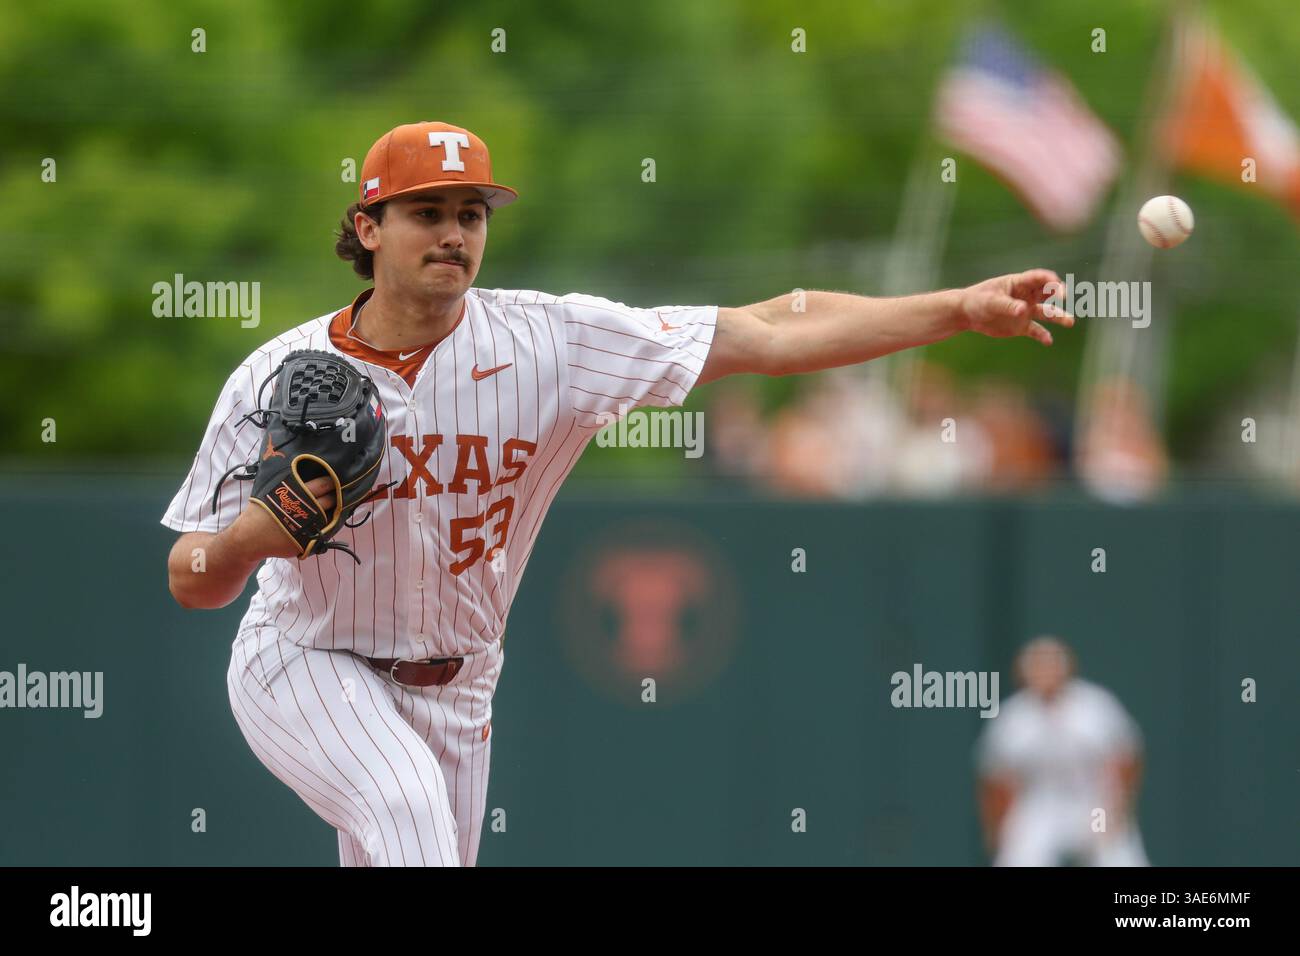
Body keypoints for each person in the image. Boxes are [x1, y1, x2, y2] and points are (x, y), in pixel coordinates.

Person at [163, 120, 1073, 866]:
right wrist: (253, 533)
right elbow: (192, 577)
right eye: (425, 212)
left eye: (471, 213)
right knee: (406, 816)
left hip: (460, 686)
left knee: (412, 842)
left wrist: (954, 307)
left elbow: (769, 330)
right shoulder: (278, 374)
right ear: (367, 228)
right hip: (307, 660)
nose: (453, 233)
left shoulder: (550, 345)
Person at [976, 636, 1149, 866]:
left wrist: (1117, 805)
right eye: (1038, 667)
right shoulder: (1013, 718)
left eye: (1051, 665)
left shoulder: (1095, 707)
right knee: (1021, 856)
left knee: (1116, 857)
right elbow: (995, 778)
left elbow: (1125, 757)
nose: (1045, 673)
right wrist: (997, 826)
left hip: (1093, 803)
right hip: (1041, 805)